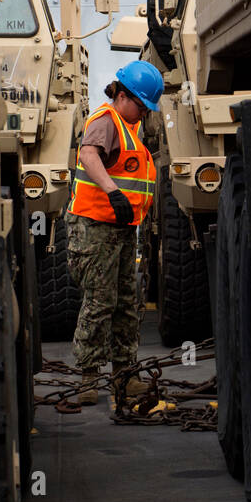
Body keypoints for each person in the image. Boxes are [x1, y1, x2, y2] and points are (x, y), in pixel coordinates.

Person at [64, 60, 164, 408]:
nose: (143, 113)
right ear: (123, 96)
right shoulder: (106, 121)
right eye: (141, 105)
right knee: (99, 301)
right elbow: (89, 155)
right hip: (94, 228)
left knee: (125, 303)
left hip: (120, 229)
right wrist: (113, 192)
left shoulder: (127, 126)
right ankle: (87, 379)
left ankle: (126, 376)